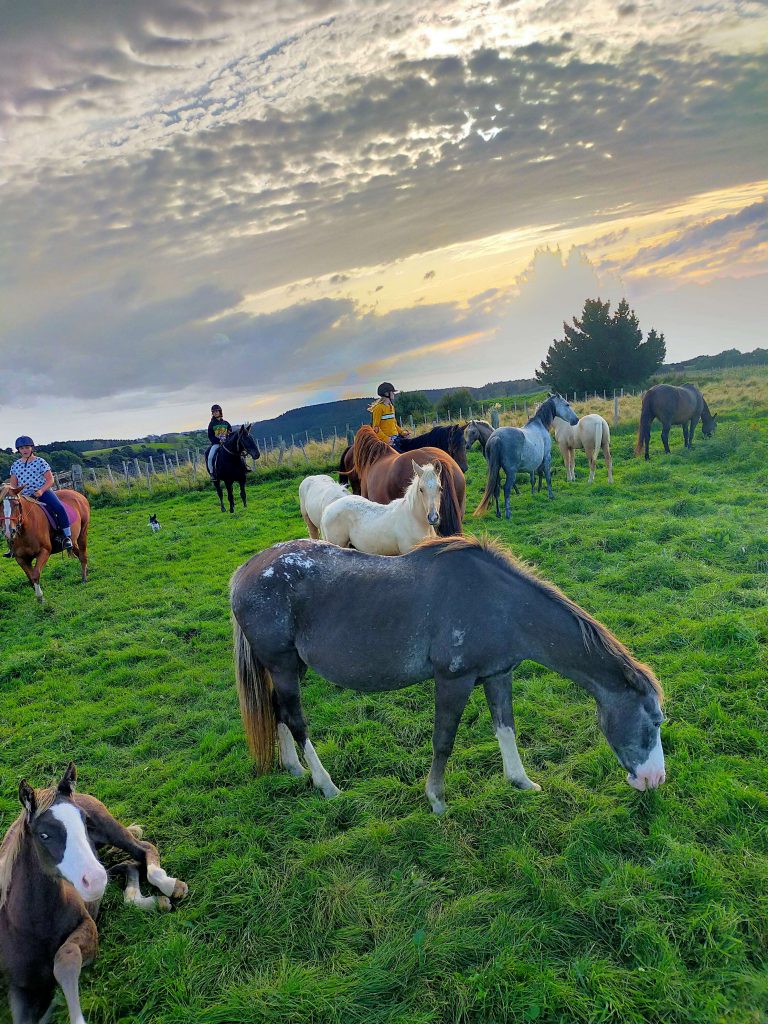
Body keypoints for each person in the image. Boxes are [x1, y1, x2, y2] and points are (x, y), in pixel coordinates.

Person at [8, 436, 73, 551]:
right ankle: (12, 543)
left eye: (27, 447)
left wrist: (41, 490)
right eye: (22, 448)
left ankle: (67, 537)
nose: (24, 450)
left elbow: (50, 480)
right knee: (10, 516)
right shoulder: (15, 465)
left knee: (59, 508)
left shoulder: (40, 462)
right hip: (23, 496)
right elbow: (13, 485)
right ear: (18, 450)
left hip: (42, 492)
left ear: (32, 448)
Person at [206, 404, 249, 474]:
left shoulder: (226, 423)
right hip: (217, 444)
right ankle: (212, 473)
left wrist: (228, 436)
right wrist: (218, 441)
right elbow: (210, 436)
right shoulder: (211, 424)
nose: (215, 413)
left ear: (220, 411)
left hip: (227, 443)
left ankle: (244, 468)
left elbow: (230, 433)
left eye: (217, 411)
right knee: (210, 457)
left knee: (240, 453)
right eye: (213, 412)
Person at [369, 382, 410, 452]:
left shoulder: (391, 407)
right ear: (386, 394)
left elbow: (394, 424)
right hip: (387, 441)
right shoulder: (378, 408)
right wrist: (386, 439)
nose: (394, 394)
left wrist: (402, 432)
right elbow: (376, 428)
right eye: (392, 392)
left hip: (396, 437)